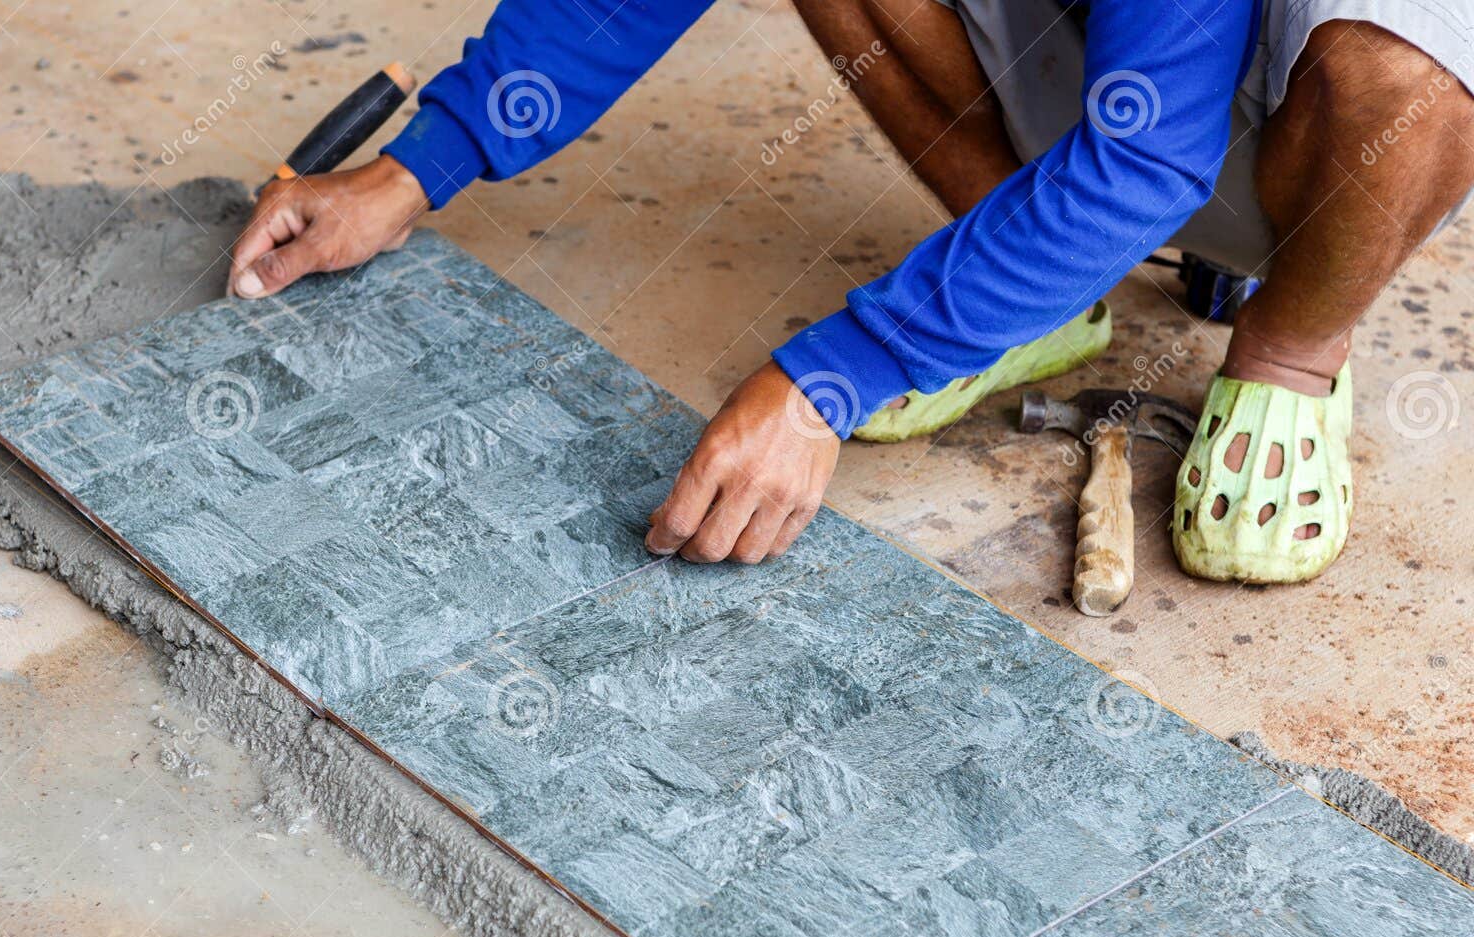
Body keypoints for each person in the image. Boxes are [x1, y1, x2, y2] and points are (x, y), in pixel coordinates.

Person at [228, 0, 1474, 584]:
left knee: (1409, 62)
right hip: (1141, 75)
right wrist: (418, 164)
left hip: (1336, 119)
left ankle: (1292, 344)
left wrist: (836, 375)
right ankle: (1032, 278)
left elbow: (1151, 151)